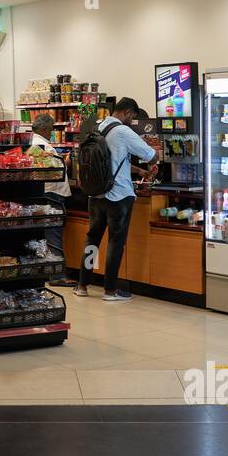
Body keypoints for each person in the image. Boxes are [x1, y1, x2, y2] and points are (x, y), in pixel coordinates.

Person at [75, 97, 157, 303]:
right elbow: (151, 155)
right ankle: (110, 291)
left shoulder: (97, 127)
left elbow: (111, 161)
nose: (132, 121)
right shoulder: (123, 131)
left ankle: (82, 285)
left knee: (92, 240)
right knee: (115, 242)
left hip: (95, 194)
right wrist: (152, 165)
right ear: (128, 112)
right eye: (133, 117)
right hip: (118, 196)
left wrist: (138, 171)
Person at [28, 114, 72, 286]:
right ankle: (58, 276)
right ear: (45, 129)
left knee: (43, 234)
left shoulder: (30, 142)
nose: (52, 133)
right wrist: (66, 162)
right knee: (53, 233)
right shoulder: (43, 145)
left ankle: (44, 272)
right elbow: (56, 170)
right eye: (52, 129)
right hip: (52, 194)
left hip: (40, 192)